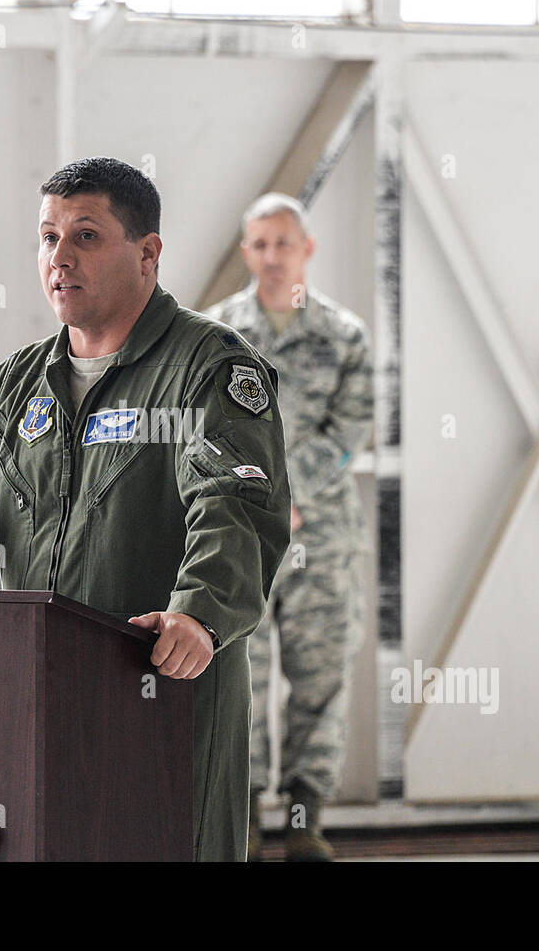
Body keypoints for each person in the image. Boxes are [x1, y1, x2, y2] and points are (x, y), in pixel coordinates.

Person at [0, 156, 291, 861]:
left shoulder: (208, 369)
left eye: (86, 237)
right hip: (32, 707)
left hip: (161, 697)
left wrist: (200, 613)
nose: (60, 258)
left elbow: (234, 505)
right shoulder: (18, 384)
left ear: (148, 253)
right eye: (48, 237)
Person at [205, 192, 373, 861]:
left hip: (322, 541)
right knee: (239, 680)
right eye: (260, 244)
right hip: (241, 538)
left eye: (284, 243)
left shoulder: (344, 337)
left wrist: (291, 492)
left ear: (308, 249)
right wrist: (262, 497)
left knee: (320, 677)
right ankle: (242, 820)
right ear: (247, 252)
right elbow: (205, 433)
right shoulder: (216, 336)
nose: (272, 256)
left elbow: (350, 430)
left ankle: (305, 822)